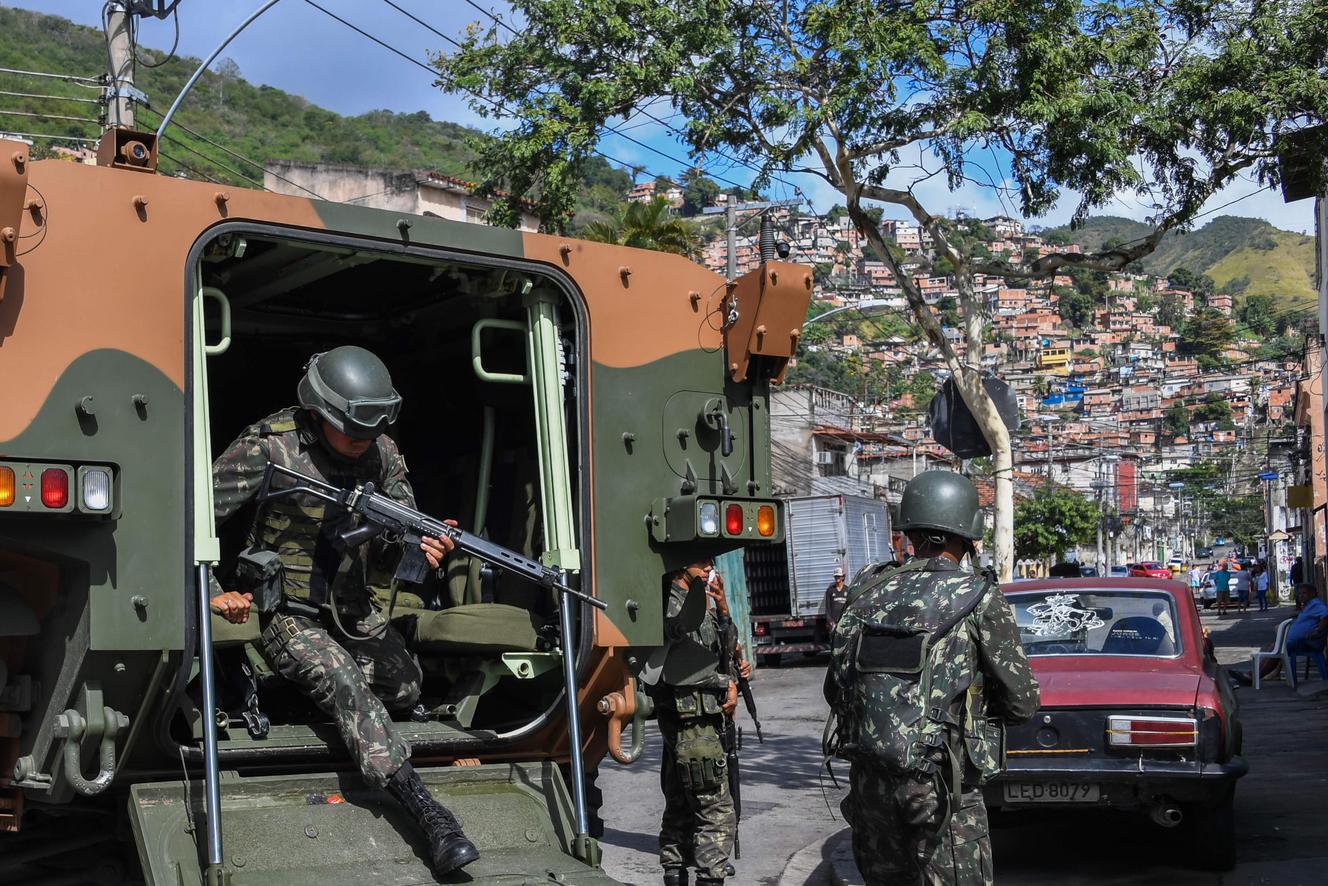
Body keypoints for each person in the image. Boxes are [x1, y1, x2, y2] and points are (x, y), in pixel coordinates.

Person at [207, 346, 480, 875]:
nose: (363, 441)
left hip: (352, 611)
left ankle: (297, 702)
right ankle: (430, 817)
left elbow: (405, 537)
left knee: (405, 686)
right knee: (344, 679)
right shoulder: (268, 449)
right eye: (352, 430)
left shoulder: (382, 455)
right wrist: (217, 590)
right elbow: (192, 521)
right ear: (317, 413)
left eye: (373, 430)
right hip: (282, 611)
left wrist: (426, 547)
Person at [825, 471, 1039, 885]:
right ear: (967, 535)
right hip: (944, 786)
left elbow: (836, 688)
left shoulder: (866, 593)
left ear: (911, 532)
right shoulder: (979, 597)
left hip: (872, 785)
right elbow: (1023, 702)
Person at [653, 558, 740, 886]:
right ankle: (708, 878)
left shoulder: (698, 599)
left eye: (712, 560)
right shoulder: (666, 603)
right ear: (681, 561)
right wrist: (724, 683)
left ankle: (675, 874)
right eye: (701, 560)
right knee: (716, 815)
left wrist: (723, 608)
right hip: (690, 722)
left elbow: (722, 649)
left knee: (679, 808)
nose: (709, 566)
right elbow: (678, 666)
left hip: (696, 724)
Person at [1287, 584, 1328, 680]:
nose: (1301, 595)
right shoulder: (1308, 605)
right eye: (1299, 593)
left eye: (1304, 593)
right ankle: (1270, 672)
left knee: (1278, 648)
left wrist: (1317, 630)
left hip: (1308, 643)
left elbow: (1326, 615)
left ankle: (1256, 674)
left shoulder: (1315, 604)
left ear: (1312, 594)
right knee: (1276, 647)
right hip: (1300, 641)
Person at [823, 566, 849, 632]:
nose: (837, 578)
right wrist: (830, 620)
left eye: (839, 576)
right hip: (833, 622)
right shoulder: (830, 590)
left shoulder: (847, 590)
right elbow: (827, 607)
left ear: (843, 577)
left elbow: (849, 606)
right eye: (836, 576)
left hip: (844, 621)